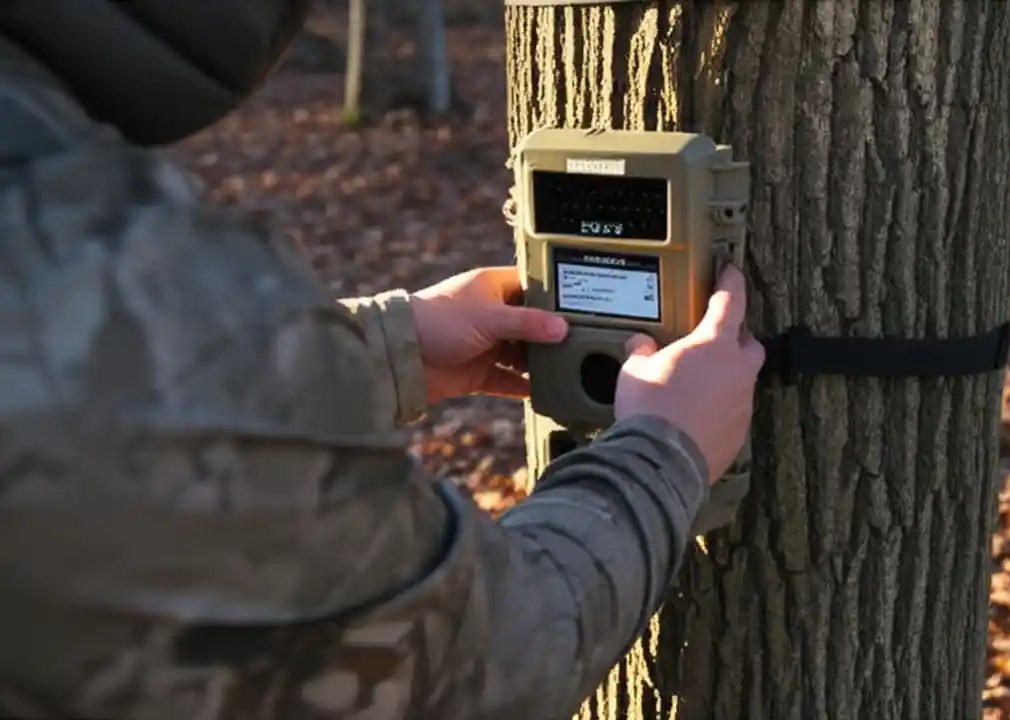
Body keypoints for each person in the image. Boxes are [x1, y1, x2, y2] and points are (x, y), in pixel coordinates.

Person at [0, 3, 764, 719]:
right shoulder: (99, 252)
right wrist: (666, 451)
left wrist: (384, 344)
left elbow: (87, 403)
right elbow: (471, 663)